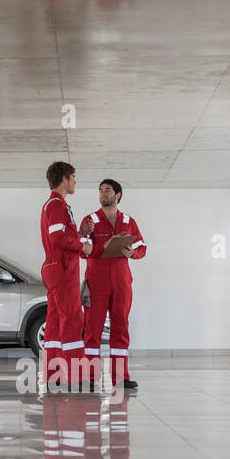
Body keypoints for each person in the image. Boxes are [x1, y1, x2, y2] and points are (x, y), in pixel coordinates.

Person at [79, 178, 146, 389]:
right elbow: (81, 250)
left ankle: (121, 377)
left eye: (107, 190)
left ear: (118, 195)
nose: (102, 194)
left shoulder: (129, 221)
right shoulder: (89, 221)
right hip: (96, 281)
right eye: (100, 190)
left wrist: (132, 253)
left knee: (120, 329)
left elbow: (142, 247)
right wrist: (87, 236)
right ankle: (90, 376)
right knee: (92, 330)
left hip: (121, 282)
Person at [39, 162, 93, 391]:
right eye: (73, 177)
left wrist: (80, 233)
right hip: (62, 270)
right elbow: (58, 239)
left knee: (53, 325)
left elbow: (60, 235)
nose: (75, 181)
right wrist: (83, 246)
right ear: (65, 179)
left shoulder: (55, 205)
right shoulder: (56, 205)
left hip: (56, 268)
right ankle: (77, 376)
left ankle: (54, 375)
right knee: (72, 319)